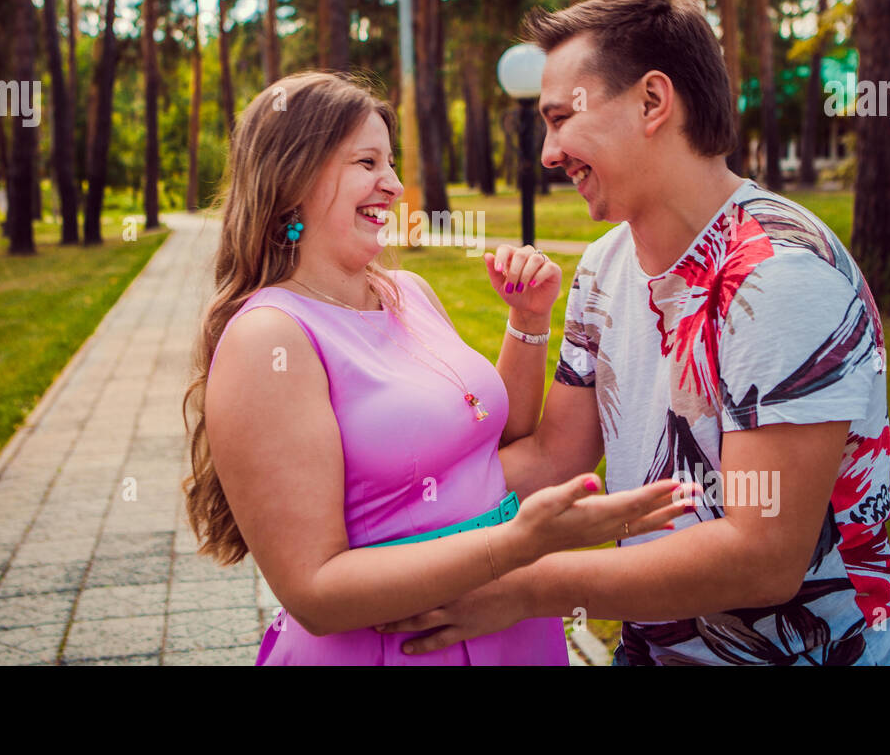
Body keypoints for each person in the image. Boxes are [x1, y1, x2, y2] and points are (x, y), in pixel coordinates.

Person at [378, 0, 890, 666]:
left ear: (652, 102)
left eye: (560, 119)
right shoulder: (605, 267)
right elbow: (554, 458)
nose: (549, 153)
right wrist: (386, 522)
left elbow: (763, 556)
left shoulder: (779, 278)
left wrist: (522, 588)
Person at [183, 71, 695, 665]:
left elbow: (492, 440)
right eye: (367, 163)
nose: (394, 185)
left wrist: (528, 321)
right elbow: (315, 594)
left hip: (506, 633)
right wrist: (518, 546)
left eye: (391, 162)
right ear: (292, 176)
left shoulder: (407, 291)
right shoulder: (269, 337)